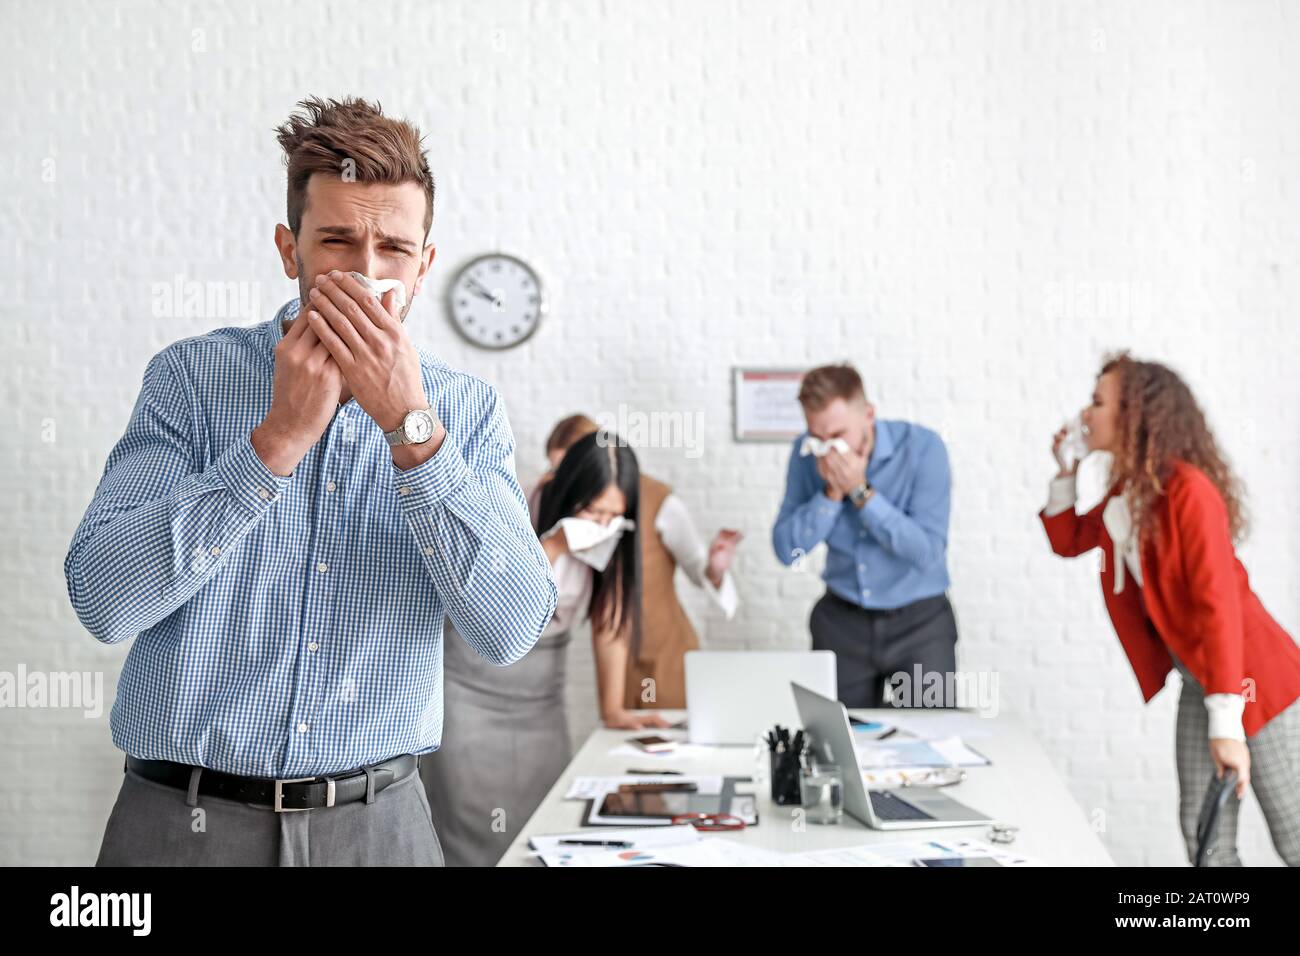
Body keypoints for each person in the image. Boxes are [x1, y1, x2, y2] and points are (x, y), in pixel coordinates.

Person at [64, 95, 556, 866]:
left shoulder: (465, 410)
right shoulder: (190, 381)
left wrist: (412, 433)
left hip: (378, 828)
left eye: (393, 247)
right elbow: (103, 600)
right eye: (337, 239)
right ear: (289, 249)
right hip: (181, 824)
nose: (365, 272)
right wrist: (275, 442)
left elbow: (511, 629)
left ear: (424, 266)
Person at [1040, 352, 1300, 866]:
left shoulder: (1189, 490)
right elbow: (1069, 539)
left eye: (1098, 402)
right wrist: (1067, 471)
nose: (1085, 414)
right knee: (1204, 830)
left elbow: (1218, 607)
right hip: (1202, 678)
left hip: (1253, 678)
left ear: (1134, 412)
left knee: (1293, 834)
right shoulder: (1132, 491)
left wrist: (1228, 724)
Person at [422, 430, 665, 866]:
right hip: (470, 690)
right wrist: (552, 545)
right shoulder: (513, 501)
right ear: (565, 492)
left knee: (545, 818)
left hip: (541, 702)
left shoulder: (614, 532)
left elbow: (609, 624)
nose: (602, 525)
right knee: (469, 824)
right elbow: (494, 604)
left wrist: (613, 710)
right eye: (592, 511)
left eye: (615, 515)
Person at [772, 363, 957, 708]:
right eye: (818, 438)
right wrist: (830, 495)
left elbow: (926, 553)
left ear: (868, 415)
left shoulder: (923, 449)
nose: (827, 450)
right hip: (842, 622)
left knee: (931, 738)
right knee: (839, 743)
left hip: (920, 624)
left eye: (838, 436)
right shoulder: (806, 454)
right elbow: (787, 550)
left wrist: (861, 492)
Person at [538, 415, 741, 710]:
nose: (561, 481)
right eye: (555, 470)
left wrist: (716, 569)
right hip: (614, 658)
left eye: (566, 469)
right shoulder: (557, 506)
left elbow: (696, 567)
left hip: (663, 655)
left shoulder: (658, 502)